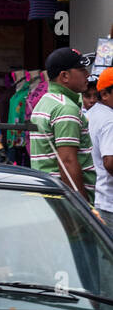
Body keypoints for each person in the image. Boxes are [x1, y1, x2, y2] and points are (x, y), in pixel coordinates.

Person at [29, 48, 95, 203]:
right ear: (64, 76)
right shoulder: (65, 108)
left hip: (51, 194)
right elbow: (67, 161)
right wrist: (83, 207)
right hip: (65, 199)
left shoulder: (46, 101)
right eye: (81, 70)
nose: (87, 74)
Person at [87, 68, 113, 225]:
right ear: (104, 94)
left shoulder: (92, 114)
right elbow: (110, 162)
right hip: (109, 203)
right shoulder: (110, 120)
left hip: (98, 198)